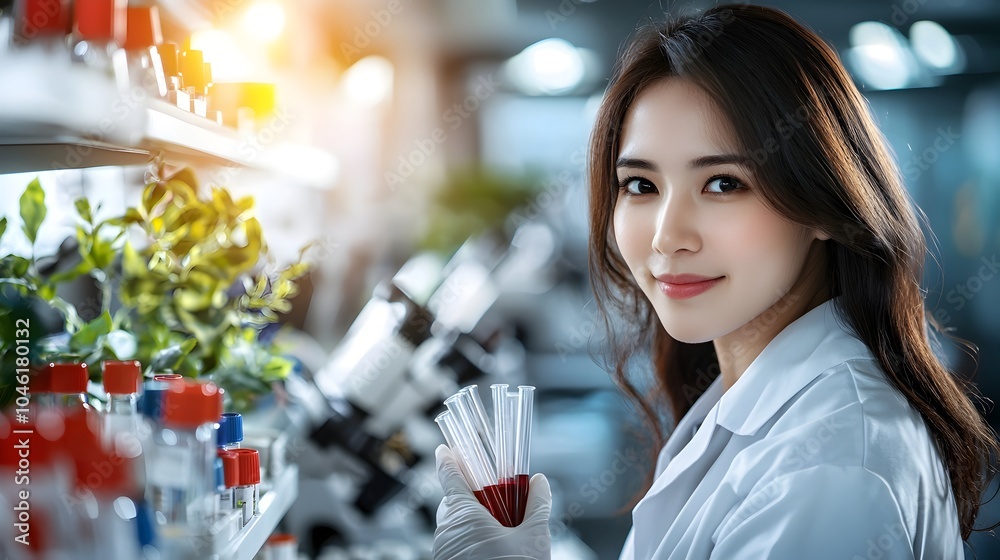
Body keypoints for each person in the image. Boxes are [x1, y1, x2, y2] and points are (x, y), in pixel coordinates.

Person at [431, 4, 999, 559]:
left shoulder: (834, 463)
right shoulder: (746, 398)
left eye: (724, 184)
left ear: (825, 207)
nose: (666, 237)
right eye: (641, 186)